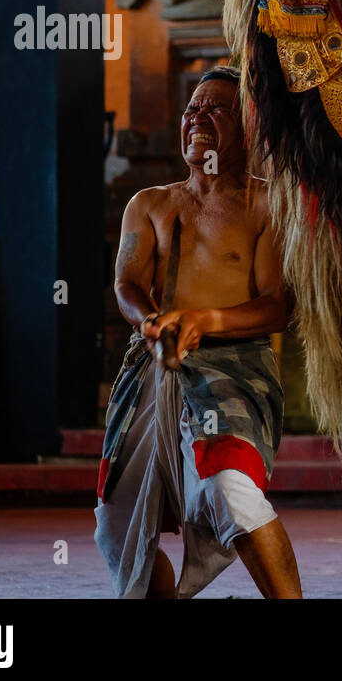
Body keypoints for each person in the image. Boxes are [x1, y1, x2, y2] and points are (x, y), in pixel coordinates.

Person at [94, 66, 301, 598]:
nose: (198, 117)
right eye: (192, 108)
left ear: (249, 128)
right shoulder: (150, 203)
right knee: (117, 524)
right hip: (153, 368)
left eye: (216, 108)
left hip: (232, 370)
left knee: (232, 491)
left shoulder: (268, 203)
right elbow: (126, 283)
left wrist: (205, 321)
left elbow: (277, 306)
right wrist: (151, 322)